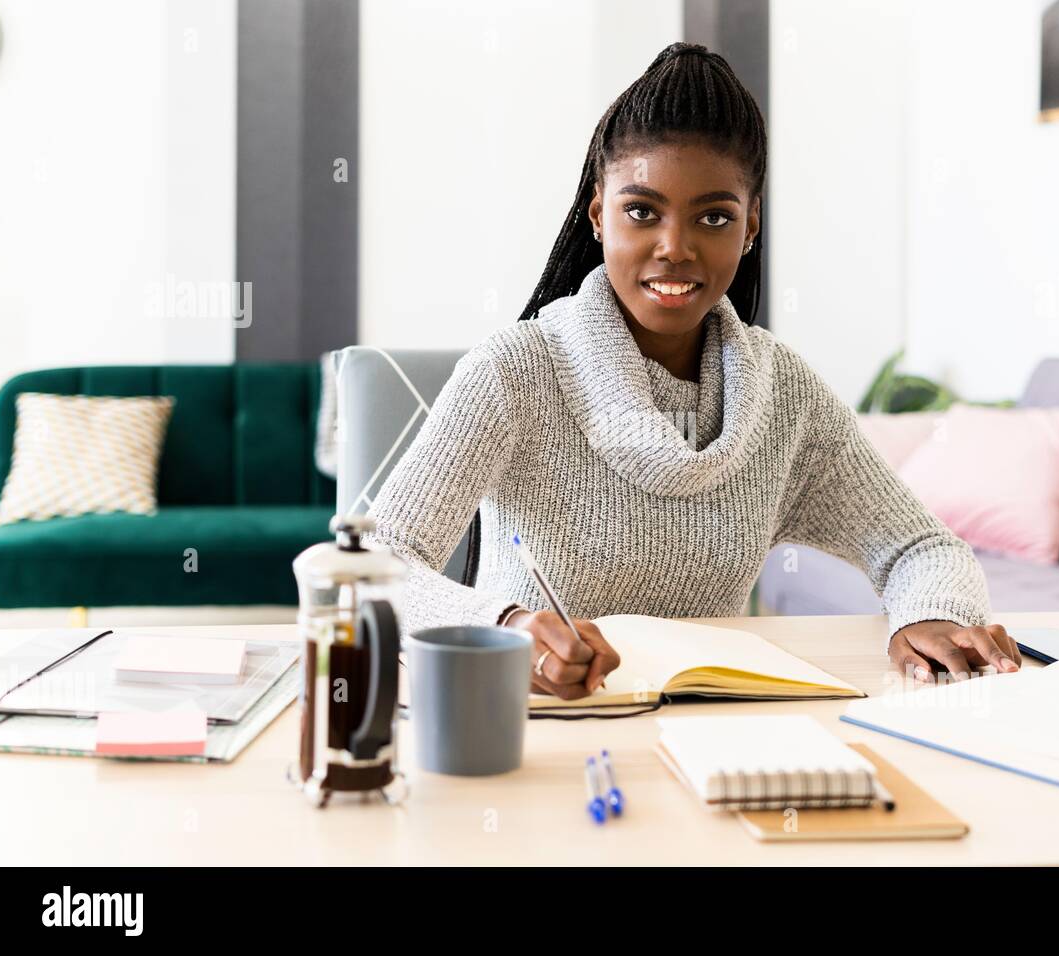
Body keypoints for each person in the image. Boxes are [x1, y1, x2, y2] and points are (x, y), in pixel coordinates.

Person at [369, 42, 1020, 700]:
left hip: (713, 736)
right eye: (642, 212)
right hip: (534, 733)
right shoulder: (516, 370)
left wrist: (930, 613)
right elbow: (373, 561)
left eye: (713, 217)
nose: (675, 248)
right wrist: (502, 626)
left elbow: (919, 546)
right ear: (600, 215)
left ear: (750, 226)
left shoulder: (783, 395)